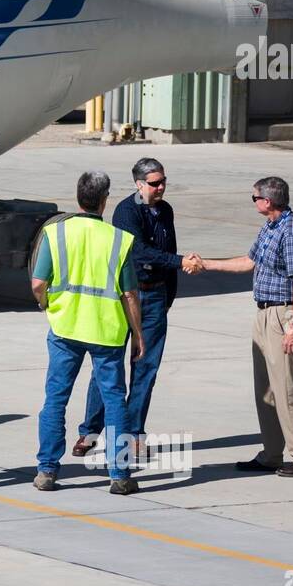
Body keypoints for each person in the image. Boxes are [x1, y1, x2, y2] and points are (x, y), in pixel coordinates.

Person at [73, 158, 201, 463]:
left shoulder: (165, 210)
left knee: (146, 368)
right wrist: (180, 261)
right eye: (154, 183)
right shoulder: (126, 212)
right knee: (108, 366)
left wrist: (169, 293)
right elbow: (138, 250)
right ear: (138, 184)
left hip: (155, 297)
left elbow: (167, 250)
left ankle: (132, 434)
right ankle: (90, 430)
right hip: (126, 296)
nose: (160, 188)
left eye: (163, 182)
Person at [199, 177, 293, 477]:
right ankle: (272, 454)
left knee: (288, 391)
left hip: (282, 316)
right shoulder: (271, 226)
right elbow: (247, 261)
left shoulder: (291, 231)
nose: (253, 201)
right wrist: (206, 264)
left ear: (267, 201)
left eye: (254, 197)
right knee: (266, 390)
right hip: (263, 314)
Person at [31, 170, 145, 495]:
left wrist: (48, 305)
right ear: (104, 200)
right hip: (106, 333)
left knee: (55, 399)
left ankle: (47, 471)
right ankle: (119, 476)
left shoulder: (57, 234)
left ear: (78, 197)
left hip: (65, 328)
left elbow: (38, 284)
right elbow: (130, 294)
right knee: (114, 402)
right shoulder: (119, 239)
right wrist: (137, 333)